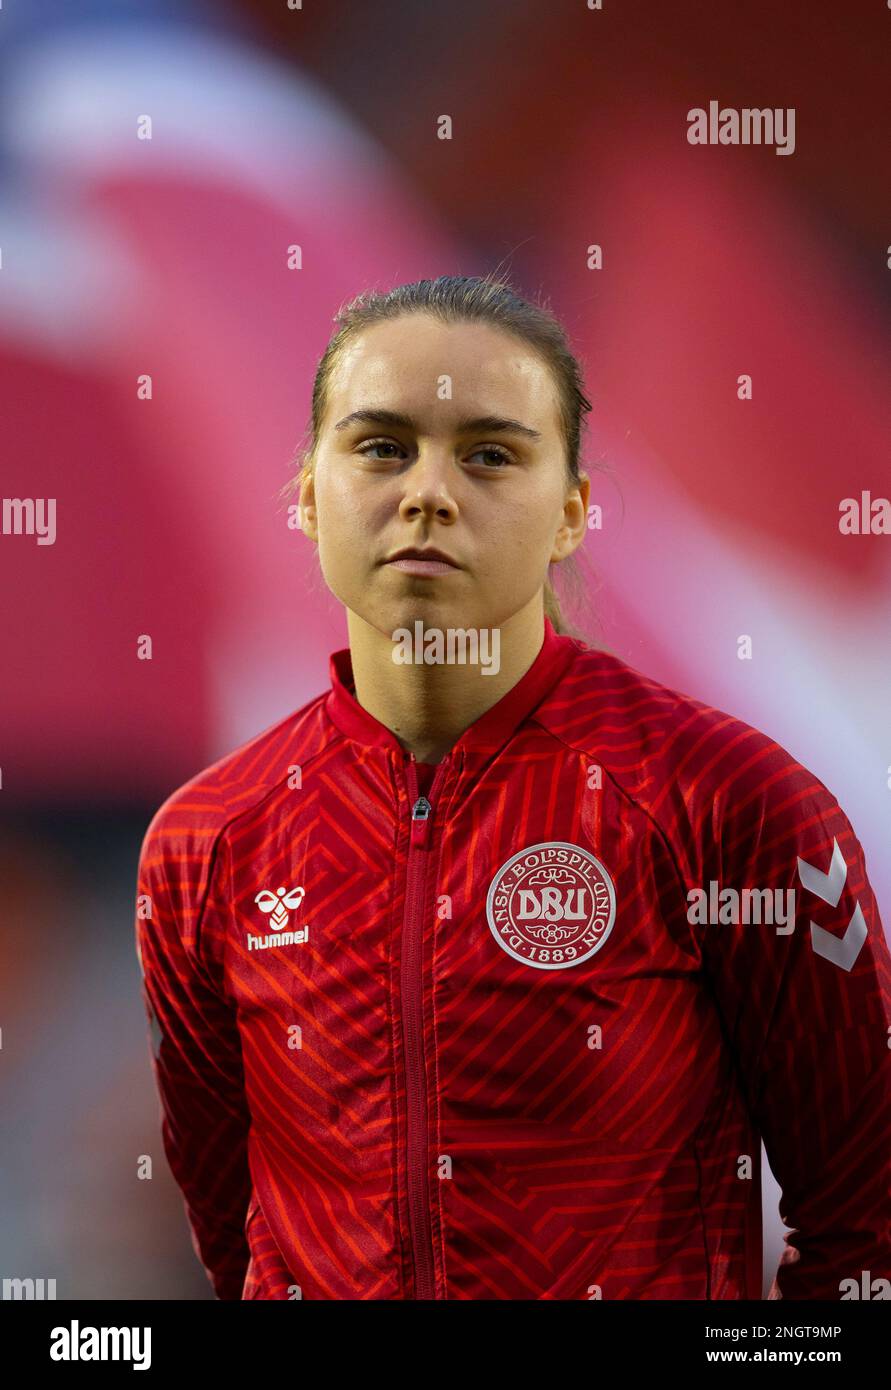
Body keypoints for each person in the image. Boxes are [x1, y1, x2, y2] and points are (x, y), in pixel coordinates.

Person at [135, 273, 891, 1300]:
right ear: (307, 494)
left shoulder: (730, 802)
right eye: (381, 446)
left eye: (490, 453)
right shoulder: (205, 840)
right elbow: (235, 1239)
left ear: (574, 512)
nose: (429, 492)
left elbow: (869, 1227)